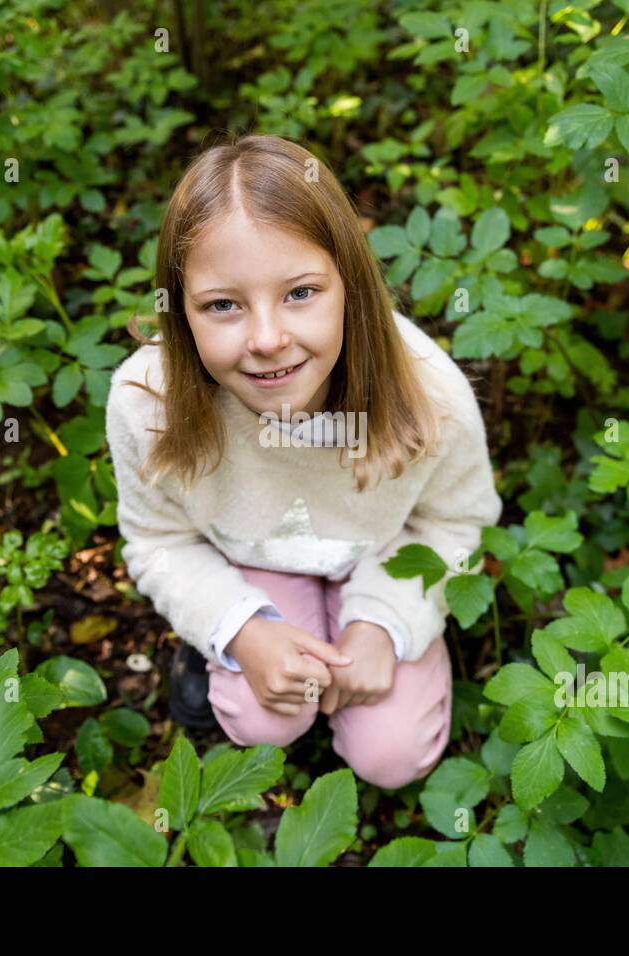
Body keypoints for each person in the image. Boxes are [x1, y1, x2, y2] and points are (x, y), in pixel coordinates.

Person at [105, 132, 502, 790]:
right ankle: (230, 646)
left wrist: (384, 622)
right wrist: (240, 629)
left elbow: (455, 526)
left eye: (300, 293)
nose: (266, 339)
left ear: (350, 283)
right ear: (180, 312)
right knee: (264, 719)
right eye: (223, 305)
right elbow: (158, 539)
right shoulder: (148, 405)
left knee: (391, 755)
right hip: (253, 558)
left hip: (383, 556)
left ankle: (380, 635)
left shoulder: (431, 397)